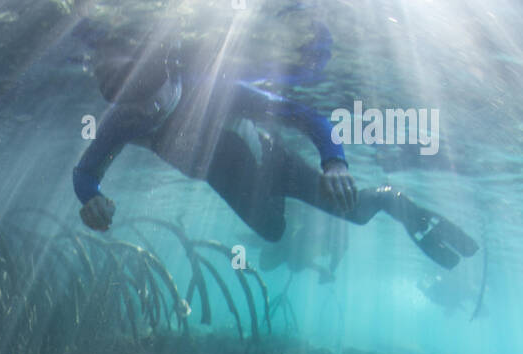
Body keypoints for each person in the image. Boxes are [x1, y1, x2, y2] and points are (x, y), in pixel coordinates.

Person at [73, 15, 479, 271]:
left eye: (146, 93)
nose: (141, 111)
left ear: (169, 71)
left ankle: (397, 204)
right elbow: (86, 170)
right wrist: (90, 197)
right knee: (274, 231)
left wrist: (334, 163)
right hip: (235, 172)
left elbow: (309, 116)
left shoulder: (214, 90)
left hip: (271, 160)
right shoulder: (123, 119)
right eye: (124, 97)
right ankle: (359, 208)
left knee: (340, 216)